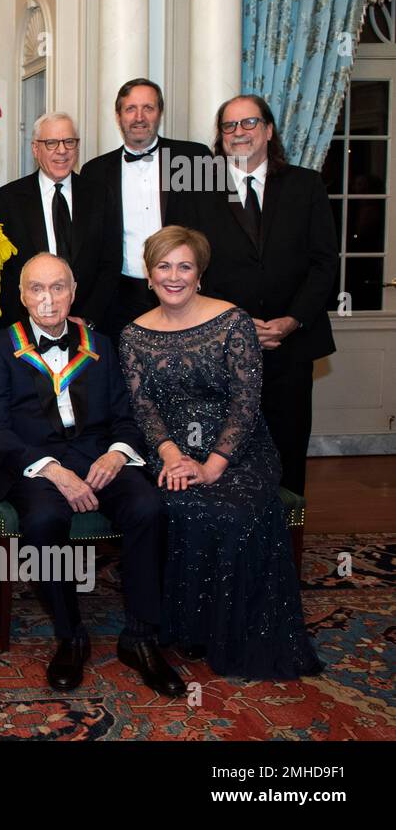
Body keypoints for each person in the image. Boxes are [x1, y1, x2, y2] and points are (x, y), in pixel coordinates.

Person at [0, 252, 184, 696]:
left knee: (149, 506)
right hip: (35, 464)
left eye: (57, 288)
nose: (47, 299)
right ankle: (70, 635)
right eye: (36, 289)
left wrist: (117, 453)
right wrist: (52, 470)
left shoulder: (101, 344)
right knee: (45, 520)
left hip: (99, 457)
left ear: (73, 293)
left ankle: (141, 637)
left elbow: (127, 417)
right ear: (21, 296)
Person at [118, 226, 323, 679]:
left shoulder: (232, 322)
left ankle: (228, 631)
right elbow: (143, 408)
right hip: (169, 449)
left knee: (232, 512)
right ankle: (185, 628)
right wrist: (171, 456)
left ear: (200, 274)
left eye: (184, 266)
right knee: (173, 503)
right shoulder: (133, 335)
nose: (174, 276)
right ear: (149, 276)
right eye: (164, 267)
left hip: (239, 450)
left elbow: (247, 402)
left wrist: (213, 466)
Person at [181, 95, 338, 496]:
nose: (239, 133)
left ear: (268, 130)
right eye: (229, 126)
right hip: (222, 347)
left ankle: (286, 543)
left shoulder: (306, 185)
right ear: (220, 137)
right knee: (226, 451)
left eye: (248, 123)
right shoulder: (199, 190)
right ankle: (232, 547)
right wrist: (235, 323)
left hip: (292, 345)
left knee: (287, 450)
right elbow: (189, 270)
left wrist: (293, 319)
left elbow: (324, 263)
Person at [78, 78, 213, 337]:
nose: (139, 117)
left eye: (148, 108)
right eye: (130, 109)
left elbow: (214, 224)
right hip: (119, 298)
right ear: (118, 116)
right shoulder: (94, 171)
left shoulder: (194, 158)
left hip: (183, 291)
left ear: (159, 112)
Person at [0, 112, 118, 329]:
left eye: (69, 142)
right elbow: (1, 273)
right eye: (51, 143)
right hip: (25, 328)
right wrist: (27, 324)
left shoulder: (100, 195)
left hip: (87, 327)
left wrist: (87, 319)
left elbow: (110, 263)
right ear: (35, 149)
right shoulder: (7, 199)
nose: (62, 150)